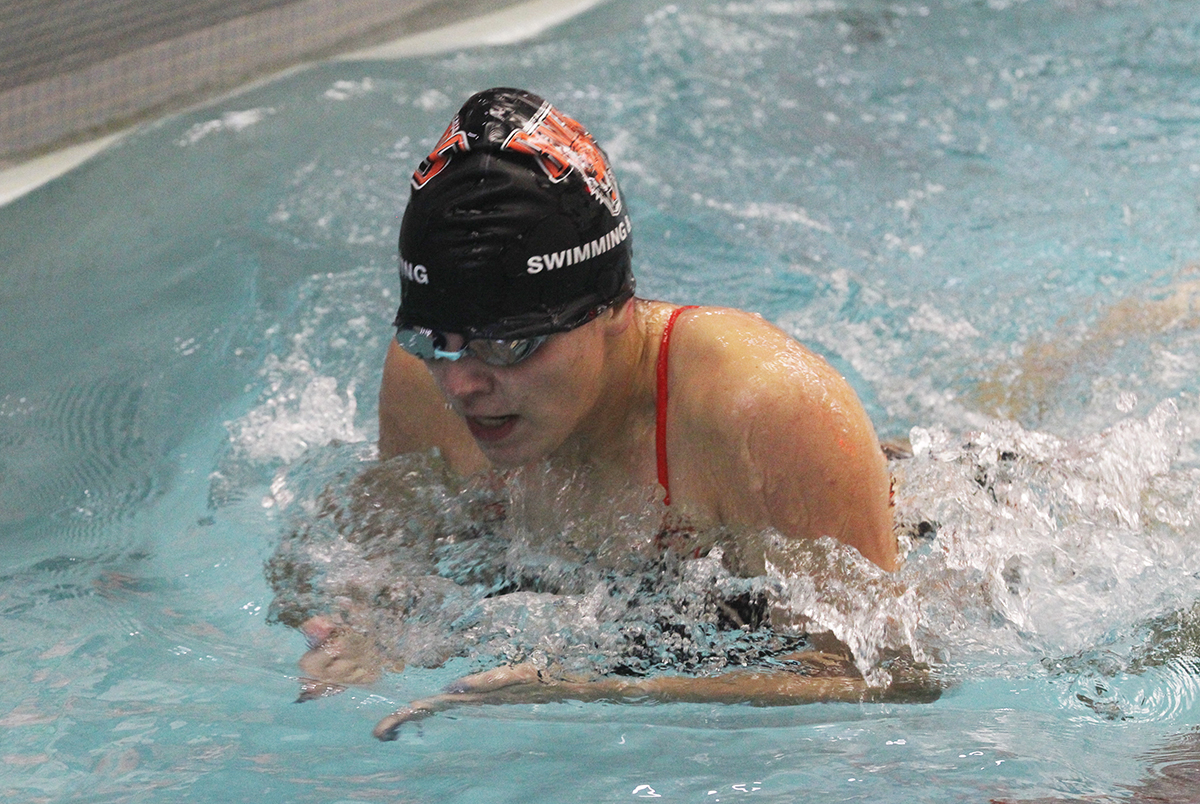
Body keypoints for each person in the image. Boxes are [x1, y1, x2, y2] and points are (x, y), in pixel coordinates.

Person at [299, 88, 916, 739]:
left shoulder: (763, 409)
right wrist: (367, 630)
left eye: (509, 345)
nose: (460, 385)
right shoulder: (422, 381)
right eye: (433, 341)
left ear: (614, 309)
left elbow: (888, 676)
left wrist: (589, 690)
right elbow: (392, 557)